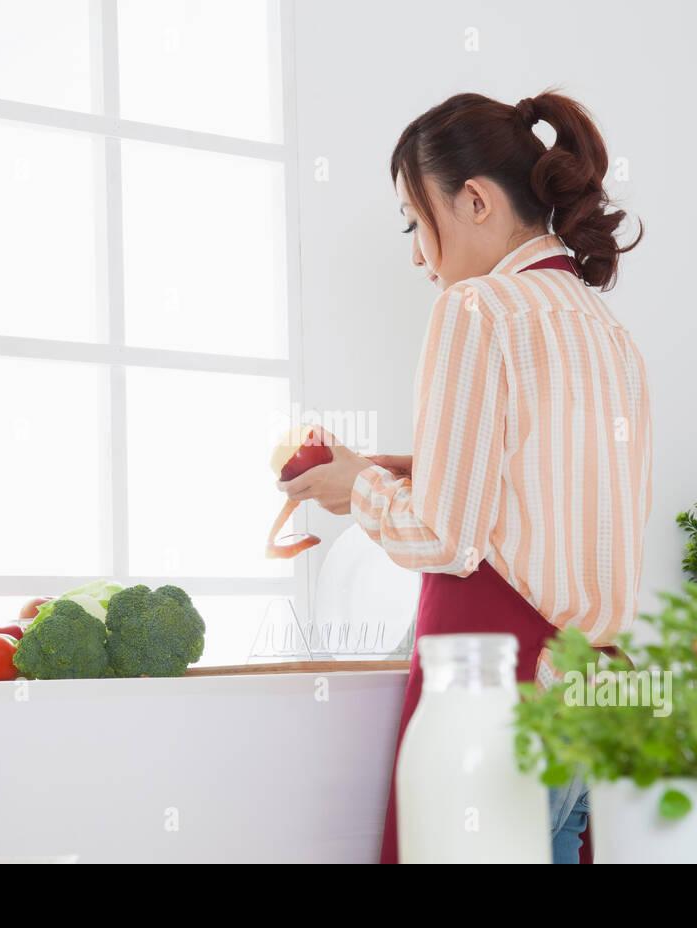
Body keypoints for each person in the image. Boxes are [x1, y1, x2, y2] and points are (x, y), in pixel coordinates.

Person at [276, 89, 652, 863]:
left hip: (498, 699)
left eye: (417, 222)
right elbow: (557, 481)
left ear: (475, 200)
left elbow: (449, 539)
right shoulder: (605, 330)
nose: (418, 254)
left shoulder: (477, 310)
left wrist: (358, 490)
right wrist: (424, 466)